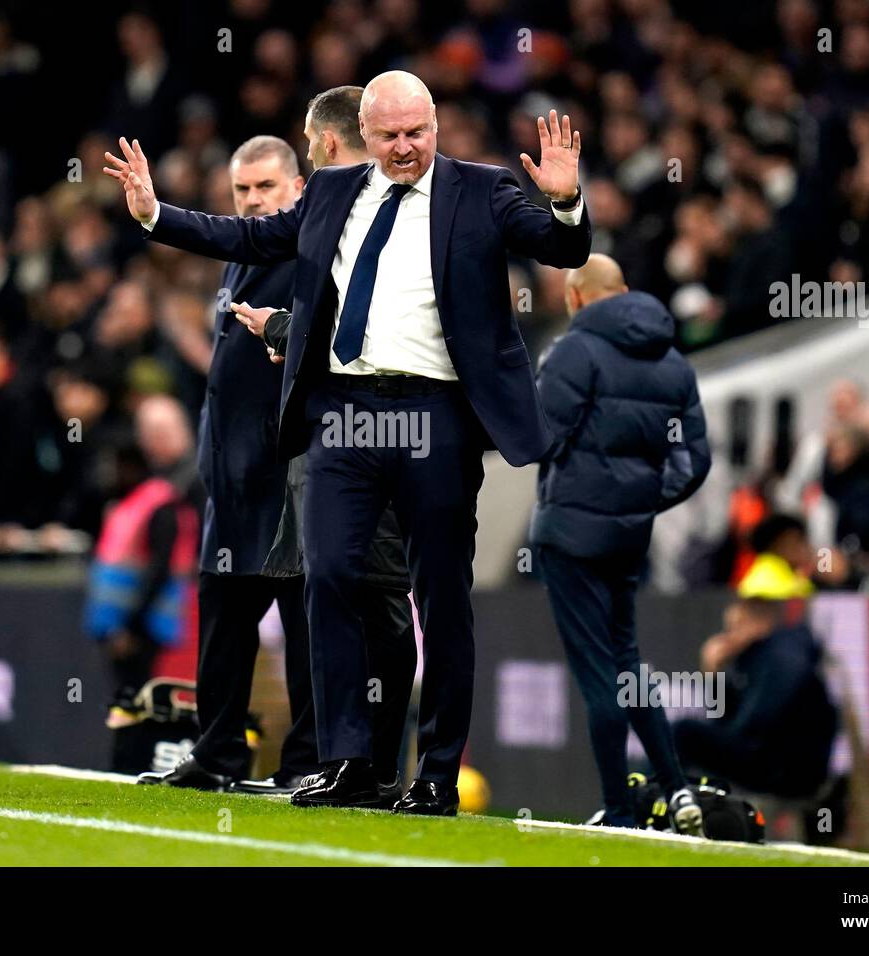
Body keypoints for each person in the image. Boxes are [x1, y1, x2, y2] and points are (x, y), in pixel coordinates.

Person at [105, 70, 590, 814]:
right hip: (342, 416)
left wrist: (563, 198)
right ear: (363, 135)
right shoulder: (332, 194)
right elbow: (248, 235)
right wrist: (154, 214)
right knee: (326, 580)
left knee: (441, 596)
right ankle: (345, 762)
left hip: (433, 417)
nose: (404, 148)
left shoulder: (482, 191)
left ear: (436, 124)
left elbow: (561, 251)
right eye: (389, 136)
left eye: (417, 133)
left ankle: (434, 774)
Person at [233, 86, 417, 804]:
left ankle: (378, 768)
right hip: (332, 434)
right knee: (330, 591)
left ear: (330, 144)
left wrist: (284, 332)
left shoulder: (384, 215)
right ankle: (337, 762)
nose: (309, 157)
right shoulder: (339, 213)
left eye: (309, 146)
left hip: (378, 432)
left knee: (375, 598)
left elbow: (362, 323)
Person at [139, 136, 317, 795]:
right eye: (242, 191)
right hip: (234, 481)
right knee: (224, 621)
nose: (251, 202)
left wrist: (157, 213)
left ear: (298, 189)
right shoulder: (242, 257)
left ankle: (308, 764)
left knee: (304, 624)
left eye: (264, 188)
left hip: (290, 473)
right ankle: (216, 756)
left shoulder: (305, 248)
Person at [530, 254, 710, 832]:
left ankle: (619, 806)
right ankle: (678, 789)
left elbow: (541, 434)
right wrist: (640, 501)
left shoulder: (574, 351)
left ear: (575, 298)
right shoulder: (674, 363)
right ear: (626, 291)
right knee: (627, 665)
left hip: (570, 534)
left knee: (598, 675)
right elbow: (695, 460)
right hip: (629, 537)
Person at [84, 396, 202, 726]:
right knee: (131, 700)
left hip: (154, 622)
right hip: (132, 620)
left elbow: (162, 567)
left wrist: (130, 625)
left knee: (147, 700)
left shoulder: (171, 495)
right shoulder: (142, 496)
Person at [676, 597, 838, 803]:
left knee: (683, 732)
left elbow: (752, 725)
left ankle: (658, 800)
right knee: (687, 735)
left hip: (790, 771)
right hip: (771, 759)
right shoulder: (755, 659)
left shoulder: (781, 659)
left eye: (734, 627)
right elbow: (725, 721)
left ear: (758, 626)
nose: (727, 637)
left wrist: (723, 741)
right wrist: (712, 674)